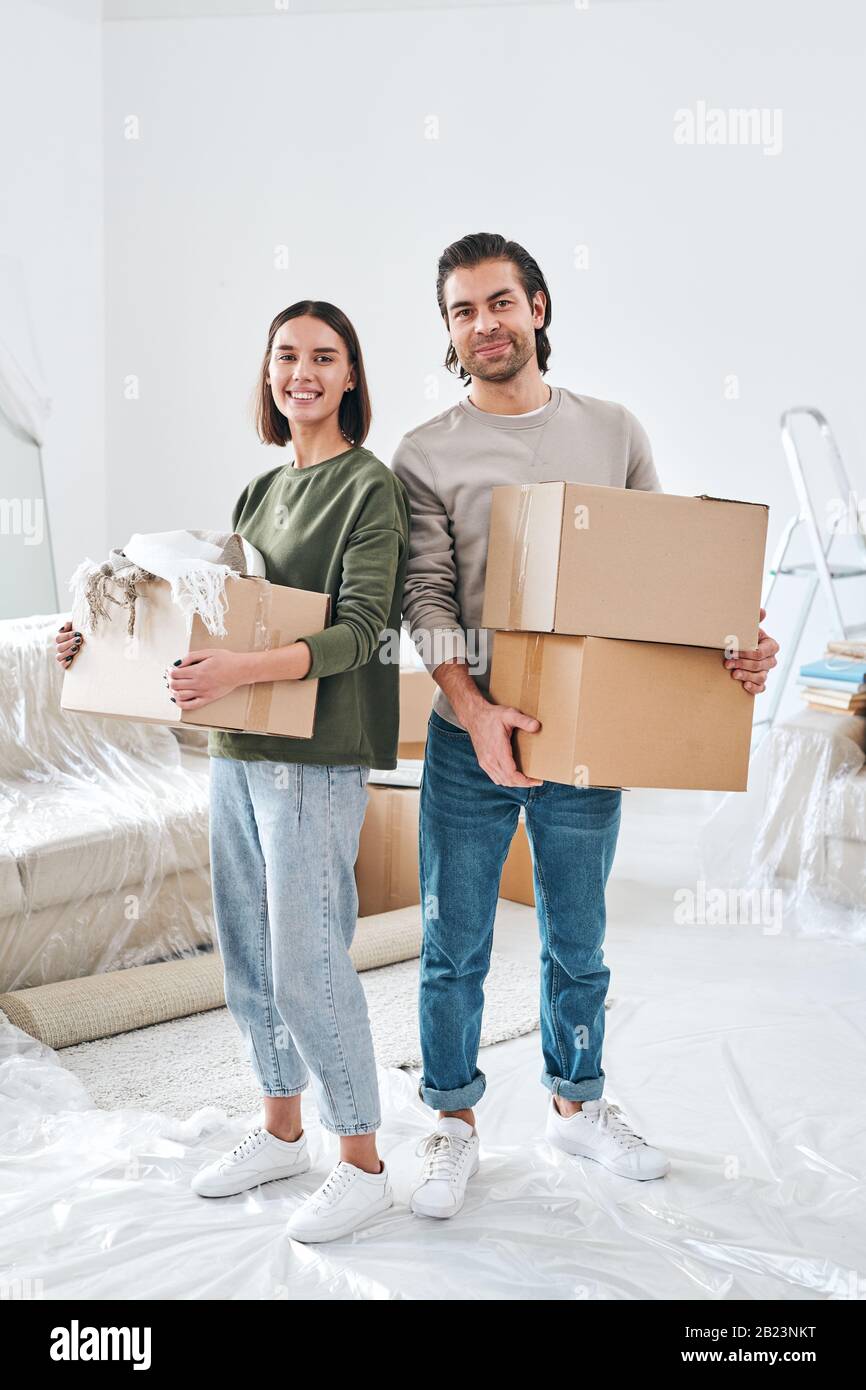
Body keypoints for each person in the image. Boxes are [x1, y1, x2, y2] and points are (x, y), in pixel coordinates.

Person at [391, 232, 780, 1220]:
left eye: (498, 302)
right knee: (453, 938)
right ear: (448, 330)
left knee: (579, 936)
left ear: (538, 306)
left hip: (579, 733)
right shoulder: (425, 452)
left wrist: (732, 644)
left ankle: (575, 1102)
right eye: (460, 310)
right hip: (467, 732)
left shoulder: (610, 430)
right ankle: (450, 1120)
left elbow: (660, 573)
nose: (482, 323)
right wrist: (473, 711)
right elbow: (426, 595)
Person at [60, 301, 411, 1244]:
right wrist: (96, 638)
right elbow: (208, 616)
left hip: (317, 759)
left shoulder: (368, 488)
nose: (303, 371)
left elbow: (365, 633)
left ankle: (364, 1161)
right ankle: (281, 1129)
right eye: (286, 355)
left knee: (309, 959)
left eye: (324, 358)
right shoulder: (259, 495)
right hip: (239, 751)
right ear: (267, 375)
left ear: (350, 378)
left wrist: (241, 672)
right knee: (250, 954)